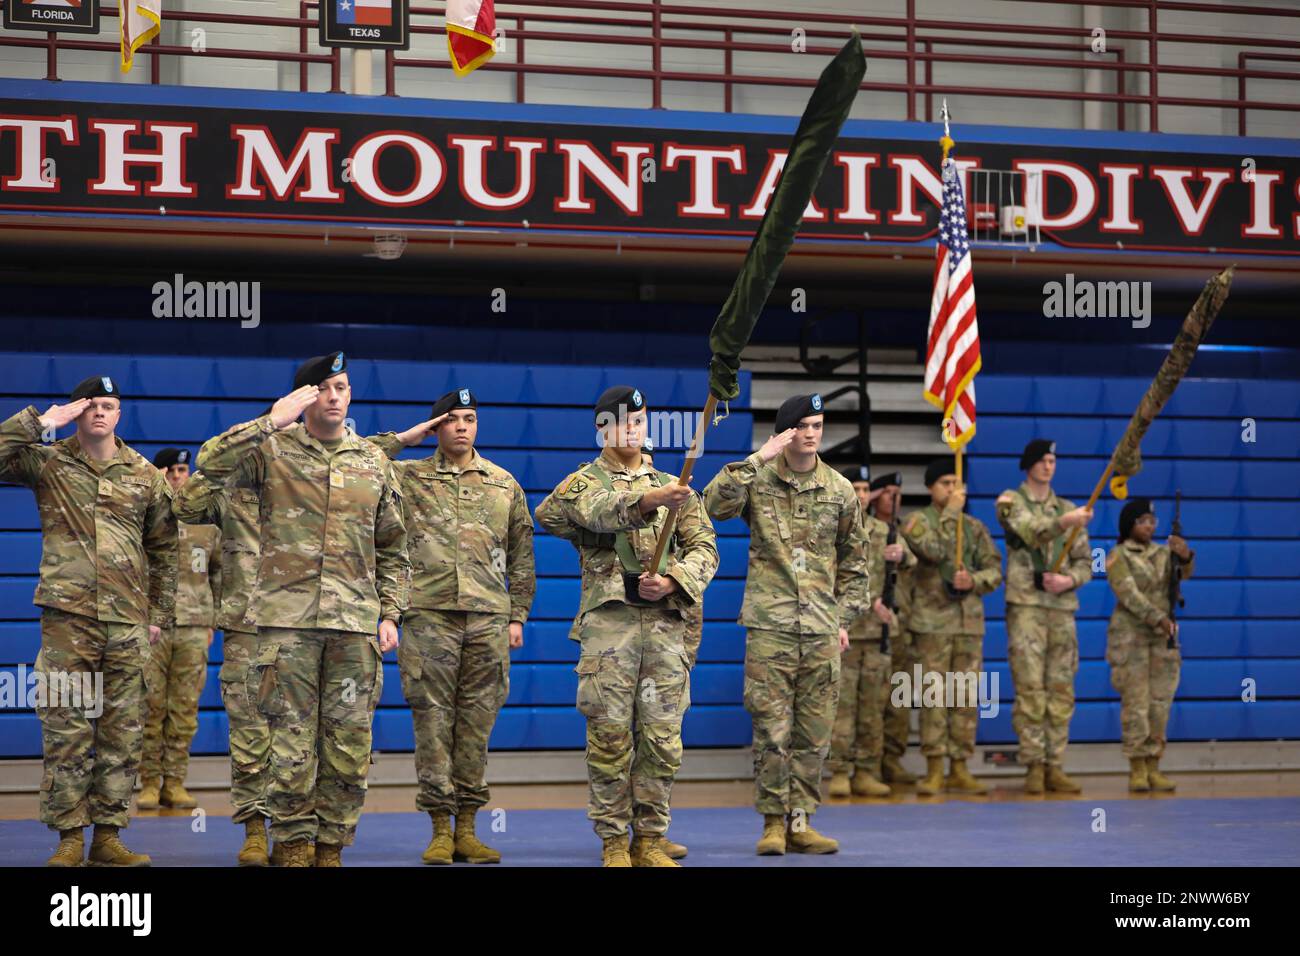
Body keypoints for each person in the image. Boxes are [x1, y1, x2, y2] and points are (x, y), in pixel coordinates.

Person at [192, 352, 409, 867]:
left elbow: (396, 547)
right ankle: (291, 844)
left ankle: (331, 846)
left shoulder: (373, 462)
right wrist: (273, 418)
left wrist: (391, 612)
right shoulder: (271, 451)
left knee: (350, 746)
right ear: (305, 396)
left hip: (355, 627)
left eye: (342, 387)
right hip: (284, 624)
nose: (335, 397)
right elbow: (208, 462)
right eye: (323, 389)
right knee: (289, 744)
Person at [535, 386, 717, 867]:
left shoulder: (676, 485)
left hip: (664, 628)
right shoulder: (584, 482)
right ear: (602, 429)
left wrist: (676, 578)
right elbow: (587, 512)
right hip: (610, 630)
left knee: (661, 738)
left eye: (640, 421)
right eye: (622, 422)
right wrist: (651, 499)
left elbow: (706, 548)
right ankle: (614, 841)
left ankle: (651, 838)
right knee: (610, 736)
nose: (633, 429)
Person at [0, 375, 176, 866]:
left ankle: (109, 836)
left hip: (127, 622)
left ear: (119, 415)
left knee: (122, 731)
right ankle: (70, 838)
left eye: (110, 406)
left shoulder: (144, 474)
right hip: (68, 618)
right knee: (67, 730)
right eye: (92, 405)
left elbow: (163, 549)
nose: (101, 412)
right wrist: (40, 421)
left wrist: (158, 615)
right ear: (79, 411)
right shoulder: (49, 462)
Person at [366, 388, 535, 864]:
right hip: (427, 618)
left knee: (476, 726)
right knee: (432, 722)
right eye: (452, 419)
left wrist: (517, 614)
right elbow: (358, 456)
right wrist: (408, 436)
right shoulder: (408, 476)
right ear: (437, 426)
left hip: (488, 621)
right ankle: (440, 827)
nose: (462, 426)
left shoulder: (504, 484)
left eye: (470, 418)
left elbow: (522, 557)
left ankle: (468, 828)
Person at [702, 393, 868, 855]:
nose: (812, 433)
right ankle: (773, 823)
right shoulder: (760, 479)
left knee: (813, 733)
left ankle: (802, 822)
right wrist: (758, 459)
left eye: (818, 425)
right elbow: (712, 506)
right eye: (803, 426)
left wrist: (843, 617)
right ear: (786, 431)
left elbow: (856, 563)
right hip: (770, 625)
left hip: (819, 628)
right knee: (771, 731)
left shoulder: (839, 489)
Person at [173, 427, 273, 865]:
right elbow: (188, 499)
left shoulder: (321, 487)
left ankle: (299, 835)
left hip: (310, 628)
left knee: (305, 739)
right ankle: (254, 830)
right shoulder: (228, 494)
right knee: (250, 734)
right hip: (247, 628)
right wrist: (267, 423)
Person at [995, 439, 1094, 794]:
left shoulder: (1068, 507)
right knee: (1031, 688)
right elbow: (1029, 531)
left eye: (1052, 460)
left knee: (1061, 688)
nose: (1048, 466)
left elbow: (1085, 562)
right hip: (1027, 607)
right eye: (1042, 460)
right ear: (1028, 465)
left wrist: (1070, 579)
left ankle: (1056, 763)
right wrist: (1065, 521)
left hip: (1062, 608)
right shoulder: (1010, 501)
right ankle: (1034, 764)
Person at [902, 458, 1003, 796]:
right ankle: (933, 767)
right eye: (945, 482)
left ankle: (960, 766)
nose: (952, 489)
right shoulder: (917, 522)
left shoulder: (974, 528)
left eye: (956, 483)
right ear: (931, 488)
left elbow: (994, 571)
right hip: (932, 624)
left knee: (965, 697)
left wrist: (973, 580)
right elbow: (933, 550)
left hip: (968, 625)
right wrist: (950, 515)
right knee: (933, 697)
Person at [139, 448, 221, 811]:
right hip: (152, 625)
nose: (176, 476)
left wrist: (212, 620)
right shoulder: (144, 518)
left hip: (193, 625)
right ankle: (149, 782)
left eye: (182, 469)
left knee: (185, 707)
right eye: (169, 470)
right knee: (149, 705)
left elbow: (219, 573)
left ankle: (175, 781)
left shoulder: (206, 525)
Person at [828, 468, 915, 798]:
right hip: (846, 629)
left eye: (866, 489)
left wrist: (902, 555)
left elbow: (912, 562)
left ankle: (866, 769)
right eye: (857, 488)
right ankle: (840, 770)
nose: (862, 495)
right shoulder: (834, 528)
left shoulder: (884, 531)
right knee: (843, 706)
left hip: (879, 633)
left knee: (874, 707)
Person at [1106, 497, 1194, 793]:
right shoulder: (1118, 555)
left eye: (1151, 521)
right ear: (1130, 525)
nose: (1149, 526)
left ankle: (1154, 764)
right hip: (1131, 638)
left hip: (1162, 639)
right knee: (1136, 704)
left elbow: (1183, 577)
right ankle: (1137, 768)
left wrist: (1185, 556)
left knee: (1160, 704)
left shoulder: (1163, 553)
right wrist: (1157, 618)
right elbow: (1128, 594)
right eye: (1142, 521)